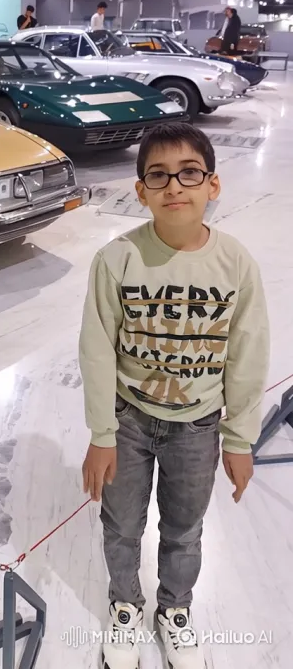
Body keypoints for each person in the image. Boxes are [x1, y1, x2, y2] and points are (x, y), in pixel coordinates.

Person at [79, 122, 269, 669]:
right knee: (121, 524)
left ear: (213, 184)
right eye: (158, 175)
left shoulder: (235, 263)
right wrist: (101, 434)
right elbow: (97, 350)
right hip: (129, 417)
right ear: (140, 191)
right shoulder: (116, 259)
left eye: (189, 173)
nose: (174, 186)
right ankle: (124, 606)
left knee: (184, 529)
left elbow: (248, 352)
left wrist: (239, 440)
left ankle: (174, 610)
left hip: (199, 424)